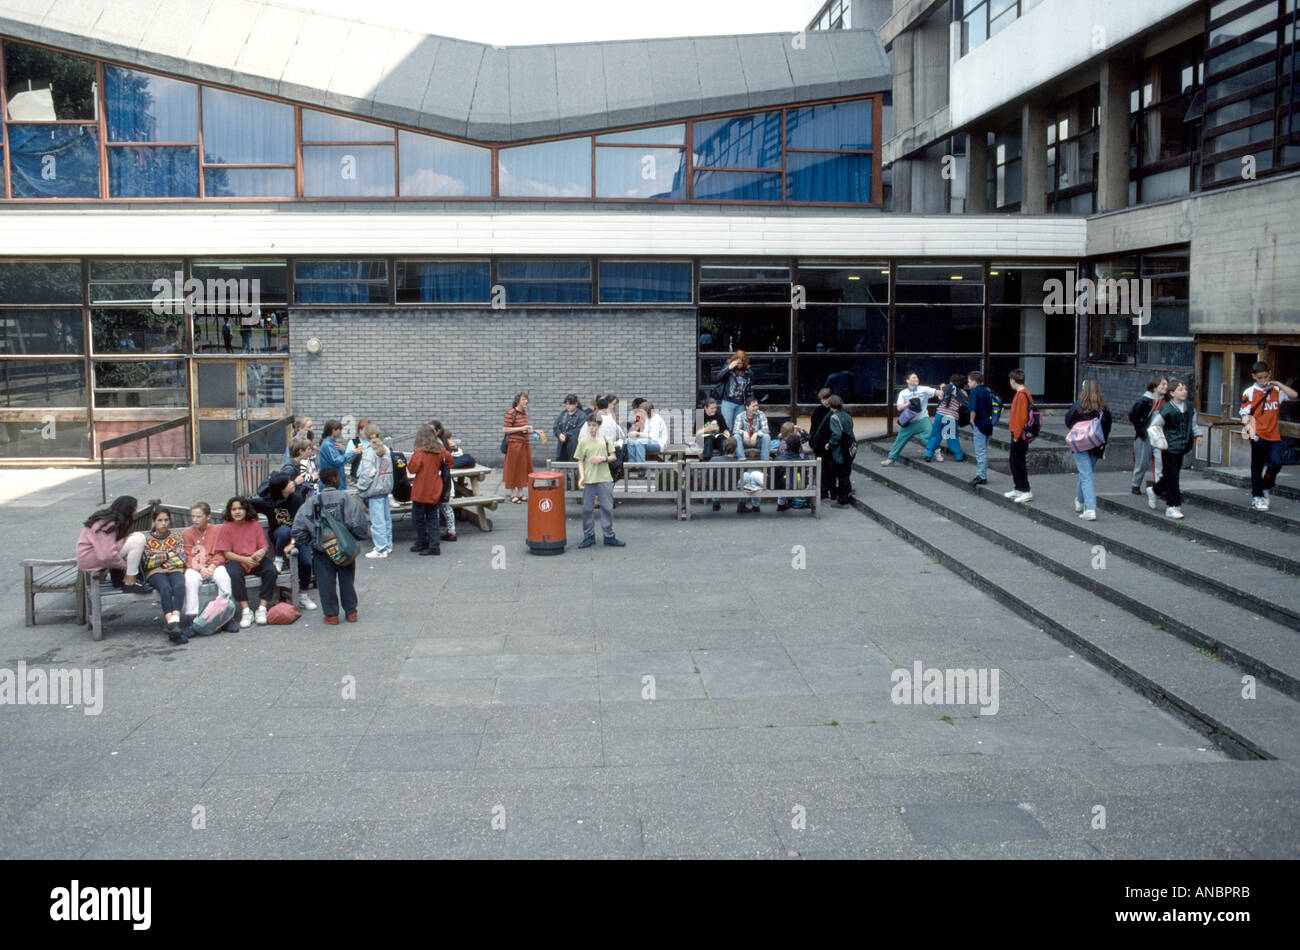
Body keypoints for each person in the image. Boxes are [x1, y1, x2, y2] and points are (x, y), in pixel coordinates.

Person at [249, 472, 316, 610]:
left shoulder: (296, 499)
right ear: (281, 489)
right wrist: (250, 517)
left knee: (306, 562)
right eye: (288, 483)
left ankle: (303, 595)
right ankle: (278, 559)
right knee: (285, 529)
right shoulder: (268, 502)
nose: (292, 483)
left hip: (297, 537)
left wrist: (293, 543)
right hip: (279, 536)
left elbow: (301, 523)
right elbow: (244, 503)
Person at [1240, 361, 1297, 511]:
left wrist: (1278, 383)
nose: (1263, 381)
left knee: (1276, 463)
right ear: (1254, 376)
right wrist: (1250, 432)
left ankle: (1266, 486)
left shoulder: (1276, 390)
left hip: (1274, 435)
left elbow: (1294, 395)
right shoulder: (1249, 392)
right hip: (1257, 434)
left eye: (1265, 377)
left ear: (1269, 375)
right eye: (1260, 378)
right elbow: (1244, 414)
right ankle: (1257, 496)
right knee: (1257, 466)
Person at [214, 496, 277, 627]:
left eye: (240, 508)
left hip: (254, 559)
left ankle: (262, 609)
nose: (237, 512)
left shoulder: (255, 525)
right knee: (234, 574)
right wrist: (245, 559)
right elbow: (226, 553)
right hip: (236, 560)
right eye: (234, 509)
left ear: (246, 509)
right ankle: (246, 610)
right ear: (229, 512)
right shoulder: (226, 527)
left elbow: (263, 546)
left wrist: (259, 555)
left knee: (270, 570)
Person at [1147, 380, 1204, 520]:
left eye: (1185, 389)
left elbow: (1193, 423)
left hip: (1183, 446)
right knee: (1173, 476)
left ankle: (1155, 490)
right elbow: (1155, 426)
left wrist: (1198, 435)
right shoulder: (1166, 409)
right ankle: (1173, 506)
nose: (1184, 391)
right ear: (1172, 393)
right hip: (1169, 447)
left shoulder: (1190, 407)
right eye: (1180, 389)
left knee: (1171, 474)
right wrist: (1160, 441)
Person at [75, 496, 151, 594]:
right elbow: (106, 556)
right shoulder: (107, 524)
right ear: (126, 511)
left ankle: (125, 579)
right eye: (134, 509)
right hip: (91, 559)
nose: (136, 512)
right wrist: (125, 566)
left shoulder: (109, 519)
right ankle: (130, 582)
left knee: (139, 536)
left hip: (95, 554)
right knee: (136, 541)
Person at [181, 501, 235, 631]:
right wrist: (201, 569)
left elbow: (221, 552)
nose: (195, 519)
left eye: (199, 516)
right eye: (193, 516)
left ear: (207, 517)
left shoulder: (216, 530)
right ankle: (191, 617)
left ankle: (226, 616)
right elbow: (188, 555)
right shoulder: (188, 532)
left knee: (223, 577)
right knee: (190, 580)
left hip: (214, 565)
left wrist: (212, 566)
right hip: (195, 567)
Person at [573, 413, 625, 547]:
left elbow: (613, 457)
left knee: (607, 508)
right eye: (589, 425)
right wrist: (582, 477)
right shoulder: (583, 442)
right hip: (589, 479)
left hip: (604, 478)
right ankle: (589, 536)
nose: (591, 428)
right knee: (587, 509)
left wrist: (602, 459)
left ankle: (609, 535)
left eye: (594, 425)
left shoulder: (606, 440)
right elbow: (579, 461)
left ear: (599, 426)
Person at [1064, 380, 1113, 522]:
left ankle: (1090, 508)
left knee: (1086, 475)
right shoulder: (1103, 408)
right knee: (1087, 474)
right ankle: (1079, 501)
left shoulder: (1079, 406)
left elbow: (1068, 421)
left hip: (1080, 444)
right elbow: (1107, 428)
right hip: (1096, 445)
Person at [407, 423, 456, 556]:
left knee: (418, 517)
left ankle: (422, 541)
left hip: (421, 488)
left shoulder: (419, 451)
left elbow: (412, 468)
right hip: (435, 487)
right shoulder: (440, 450)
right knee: (432, 518)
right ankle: (434, 545)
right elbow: (450, 461)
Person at [140, 509, 188, 641]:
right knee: (165, 588)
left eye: (166, 520)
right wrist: (168, 555)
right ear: (154, 522)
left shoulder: (176, 537)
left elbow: (181, 558)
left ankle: (174, 623)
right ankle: (172, 624)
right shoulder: (147, 540)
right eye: (160, 520)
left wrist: (159, 561)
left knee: (179, 585)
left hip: (175, 570)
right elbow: (148, 562)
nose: (163, 523)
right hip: (155, 573)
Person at [881, 372, 940, 465]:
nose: (916, 379)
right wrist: (909, 402)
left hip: (922, 419)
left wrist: (942, 391)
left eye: (917, 377)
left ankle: (937, 452)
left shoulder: (924, 389)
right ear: (907, 381)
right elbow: (899, 407)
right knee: (900, 440)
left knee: (929, 437)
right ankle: (891, 459)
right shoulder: (903, 393)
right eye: (913, 378)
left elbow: (936, 392)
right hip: (909, 422)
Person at [355, 423, 395, 559]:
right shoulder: (386, 450)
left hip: (374, 489)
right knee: (386, 519)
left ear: (365, 436)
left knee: (377, 520)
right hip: (385, 488)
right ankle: (388, 545)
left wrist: (360, 487)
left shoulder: (369, 452)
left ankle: (380, 548)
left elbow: (367, 473)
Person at [1128, 375, 1168, 495]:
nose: (1166, 387)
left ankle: (1159, 488)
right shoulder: (1144, 401)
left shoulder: (1166, 401)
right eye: (1163, 384)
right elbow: (1133, 416)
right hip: (1144, 436)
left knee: (1160, 461)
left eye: (1166, 384)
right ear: (1155, 386)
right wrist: (1140, 428)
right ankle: (1135, 484)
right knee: (1142, 463)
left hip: (1160, 436)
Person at [695, 397, 731, 512]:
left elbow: (725, 429)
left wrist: (727, 434)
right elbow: (696, 433)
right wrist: (708, 428)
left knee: (721, 438)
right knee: (709, 437)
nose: (714, 410)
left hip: (718, 439)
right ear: (705, 408)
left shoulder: (719, 415)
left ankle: (724, 458)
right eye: (711, 408)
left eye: (715, 408)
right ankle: (707, 462)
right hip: (705, 441)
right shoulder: (701, 416)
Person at [1005, 369, 1034, 504]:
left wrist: (1016, 435)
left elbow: (1021, 417)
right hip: (1020, 434)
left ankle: (1025, 490)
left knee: (1018, 462)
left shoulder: (1021, 395)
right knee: (1014, 461)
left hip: (1019, 434)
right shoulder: (1024, 393)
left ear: (1013, 380)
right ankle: (1018, 488)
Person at [924, 374, 967, 463]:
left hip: (939, 414)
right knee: (951, 437)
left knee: (935, 435)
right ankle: (958, 456)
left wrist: (941, 388)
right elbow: (962, 405)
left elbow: (940, 398)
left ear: (952, 382)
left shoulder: (946, 389)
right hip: (951, 416)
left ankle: (928, 454)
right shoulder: (963, 393)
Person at [712, 350, 753, 436]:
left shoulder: (748, 373)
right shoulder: (729, 370)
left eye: (742, 360)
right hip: (728, 402)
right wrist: (728, 368)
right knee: (727, 427)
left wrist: (749, 403)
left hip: (741, 404)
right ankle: (727, 447)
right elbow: (717, 379)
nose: (739, 362)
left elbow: (749, 390)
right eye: (738, 360)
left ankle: (736, 447)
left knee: (737, 428)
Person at [502, 392, 533, 504]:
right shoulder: (511, 413)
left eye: (527, 399)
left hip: (524, 445)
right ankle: (513, 494)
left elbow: (524, 429)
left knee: (522, 469)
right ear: (518, 401)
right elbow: (505, 429)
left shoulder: (524, 414)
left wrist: (534, 431)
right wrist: (521, 428)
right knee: (513, 469)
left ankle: (521, 493)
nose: (526, 401)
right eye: (524, 399)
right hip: (514, 445)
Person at [825, 395, 856, 506]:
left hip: (841, 448)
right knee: (846, 470)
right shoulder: (847, 415)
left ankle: (843, 499)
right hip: (850, 445)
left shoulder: (834, 417)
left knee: (841, 473)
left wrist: (830, 444)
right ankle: (847, 492)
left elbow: (837, 434)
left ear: (830, 405)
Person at [966, 370, 994, 487]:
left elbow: (973, 408)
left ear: (974, 381)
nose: (968, 384)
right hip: (988, 423)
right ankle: (982, 474)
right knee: (984, 450)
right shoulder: (987, 391)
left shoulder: (974, 392)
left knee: (980, 451)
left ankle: (981, 476)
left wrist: (972, 420)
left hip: (979, 423)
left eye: (969, 381)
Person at [809, 388, 835, 499]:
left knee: (830, 468)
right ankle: (824, 491)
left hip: (829, 444)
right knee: (823, 469)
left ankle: (830, 490)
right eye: (823, 399)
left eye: (826, 399)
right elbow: (814, 427)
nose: (825, 401)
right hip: (820, 444)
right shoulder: (818, 411)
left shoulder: (829, 411)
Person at [317, 419, 356, 488]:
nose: (340, 432)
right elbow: (337, 461)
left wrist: (343, 450)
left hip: (336, 481)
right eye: (339, 429)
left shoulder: (332, 443)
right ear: (333, 430)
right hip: (330, 483)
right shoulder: (327, 445)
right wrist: (352, 452)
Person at [733, 395, 771, 461]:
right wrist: (744, 432)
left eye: (757, 406)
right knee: (736, 436)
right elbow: (735, 430)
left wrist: (756, 434)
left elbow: (766, 429)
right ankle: (742, 460)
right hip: (745, 442)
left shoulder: (761, 414)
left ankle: (765, 462)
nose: (756, 408)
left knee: (766, 436)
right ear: (747, 407)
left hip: (757, 442)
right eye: (753, 406)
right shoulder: (740, 416)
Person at [553, 395, 589, 463]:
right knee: (561, 467)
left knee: (573, 468)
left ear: (576, 404)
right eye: (566, 404)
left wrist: (564, 435)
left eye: (570, 404)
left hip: (574, 447)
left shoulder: (582, 416)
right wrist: (559, 434)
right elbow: (555, 426)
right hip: (561, 447)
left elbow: (577, 431)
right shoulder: (563, 414)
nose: (568, 406)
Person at [349, 416, 371, 483]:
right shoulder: (353, 442)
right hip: (356, 478)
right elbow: (348, 461)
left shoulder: (373, 443)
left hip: (370, 478)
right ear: (360, 430)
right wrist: (355, 453)